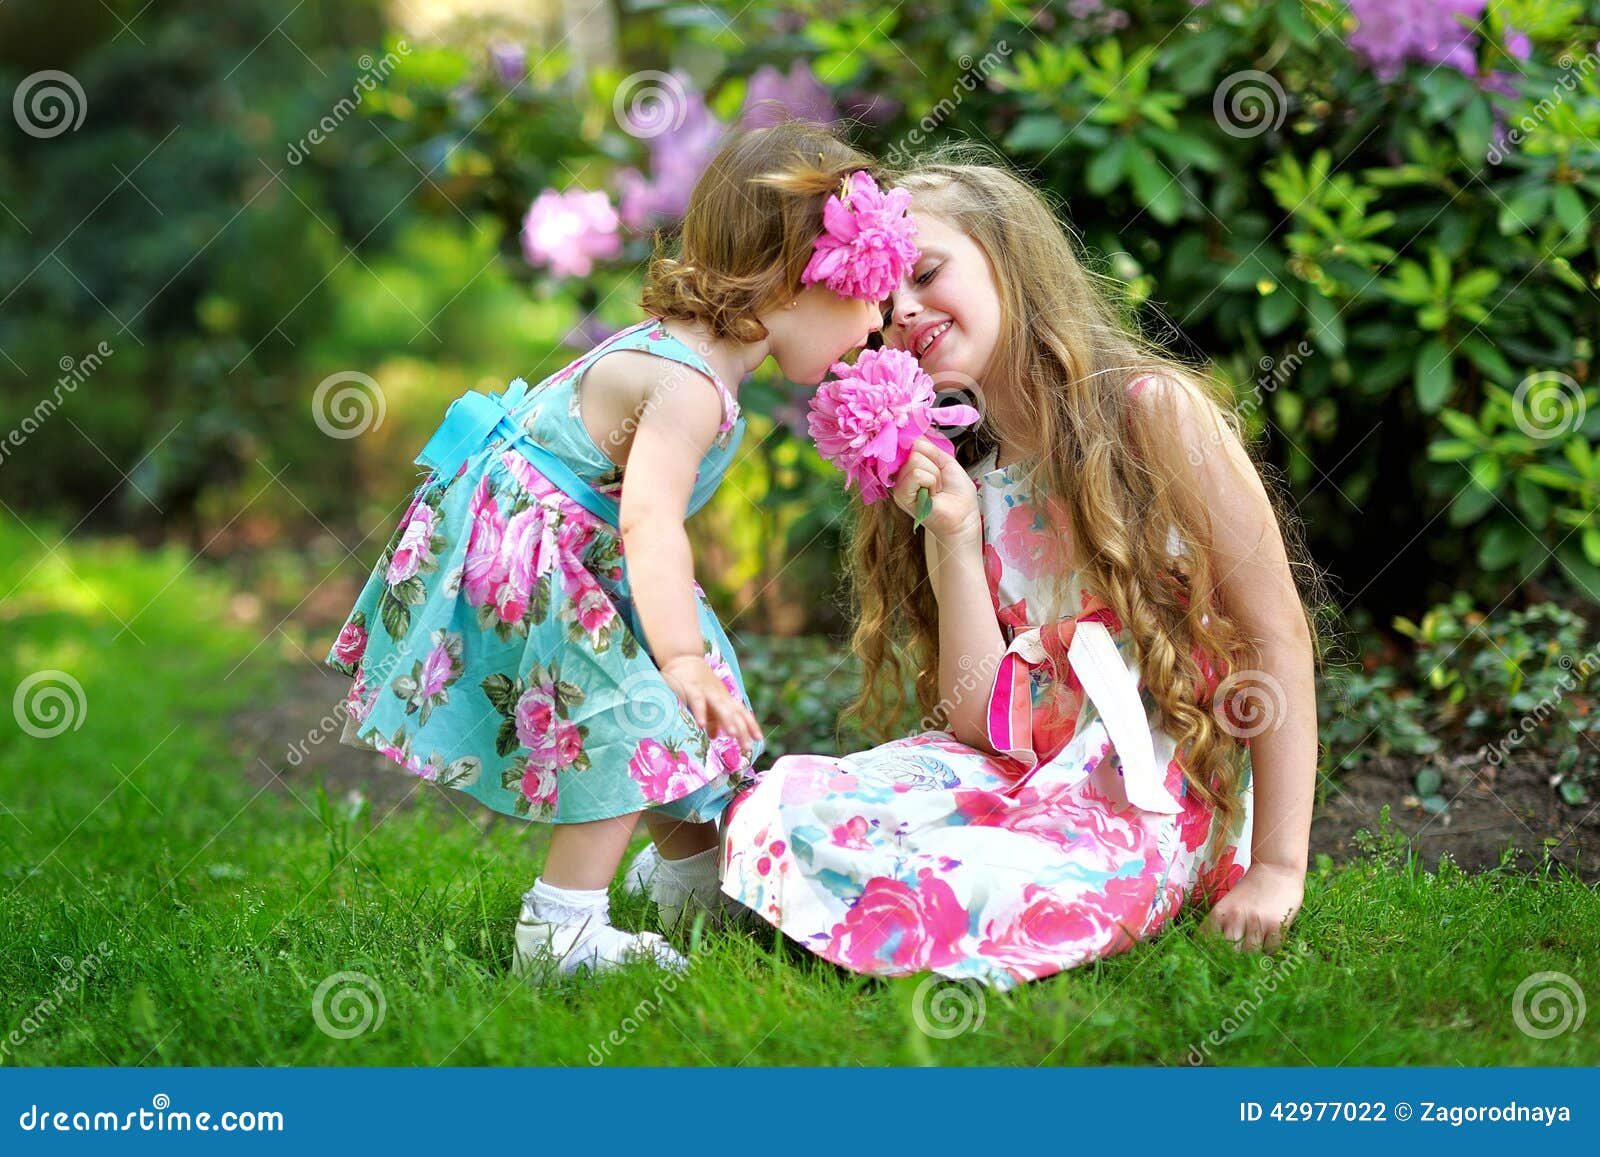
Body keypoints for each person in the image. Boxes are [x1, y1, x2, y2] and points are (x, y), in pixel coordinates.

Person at [718, 150, 1327, 990]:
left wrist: (1278, 867)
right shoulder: (965, 470)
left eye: (927, 273)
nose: (904, 311)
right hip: (1022, 772)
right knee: (782, 803)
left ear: (1008, 256)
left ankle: (923, 898)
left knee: (1011, 879)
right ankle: (893, 888)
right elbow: (976, 721)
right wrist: (954, 533)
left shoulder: (1152, 412)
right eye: (883, 306)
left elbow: (1276, 635)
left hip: (1145, 787)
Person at [322, 120, 915, 981]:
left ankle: (691, 881)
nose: (877, 322)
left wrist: (686, 655)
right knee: (635, 709)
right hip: (533, 553)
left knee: (685, 703)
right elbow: (649, 520)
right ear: (792, 281)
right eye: (866, 295)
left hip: (562, 541)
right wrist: (677, 655)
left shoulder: (697, 352)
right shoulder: (689, 384)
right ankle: (561, 930)